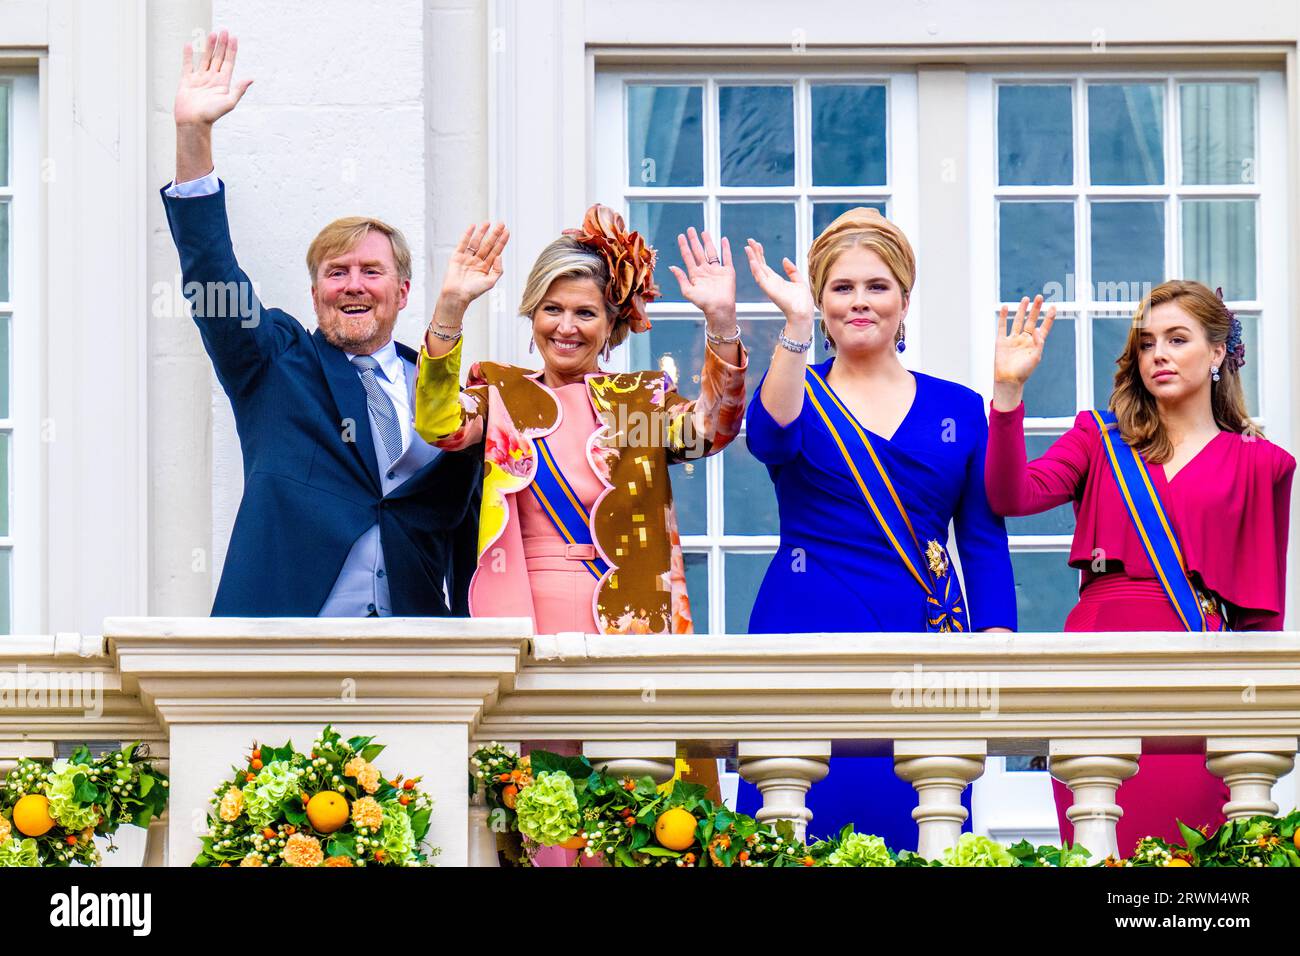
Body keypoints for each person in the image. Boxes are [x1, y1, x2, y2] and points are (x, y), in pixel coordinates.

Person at [163, 31, 479, 617]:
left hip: (418, 663)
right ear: (315, 293)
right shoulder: (275, 361)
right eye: (337, 272)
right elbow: (213, 276)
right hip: (285, 654)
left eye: (371, 271)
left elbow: (470, 536)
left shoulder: (447, 390)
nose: (353, 285)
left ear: (402, 291)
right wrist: (194, 136)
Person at [734, 208, 1017, 850]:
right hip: (805, 624)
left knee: (921, 826)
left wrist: (999, 641)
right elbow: (771, 439)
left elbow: (981, 537)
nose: (859, 302)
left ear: (904, 300)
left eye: (876, 286)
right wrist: (794, 329)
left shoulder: (959, 407)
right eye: (841, 288)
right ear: (821, 303)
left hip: (926, 640)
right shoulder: (793, 387)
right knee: (796, 828)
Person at [984, 282, 1295, 856]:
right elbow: (1010, 495)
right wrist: (1007, 395)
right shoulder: (1097, 437)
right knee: (1101, 844)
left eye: (1178, 339)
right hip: (1094, 662)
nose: (1159, 354)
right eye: (1147, 342)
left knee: (1186, 856)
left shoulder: (1263, 463)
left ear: (1219, 352)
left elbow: (1261, 618)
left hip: (1200, 674)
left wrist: (1253, 720)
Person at [414, 206, 746, 635]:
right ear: (533, 315)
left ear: (612, 324)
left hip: (632, 623)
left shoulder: (639, 402)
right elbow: (439, 424)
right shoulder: (500, 392)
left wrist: (721, 322)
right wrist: (451, 307)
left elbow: (710, 429)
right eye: (552, 309)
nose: (566, 327)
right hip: (522, 617)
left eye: (586, 314)